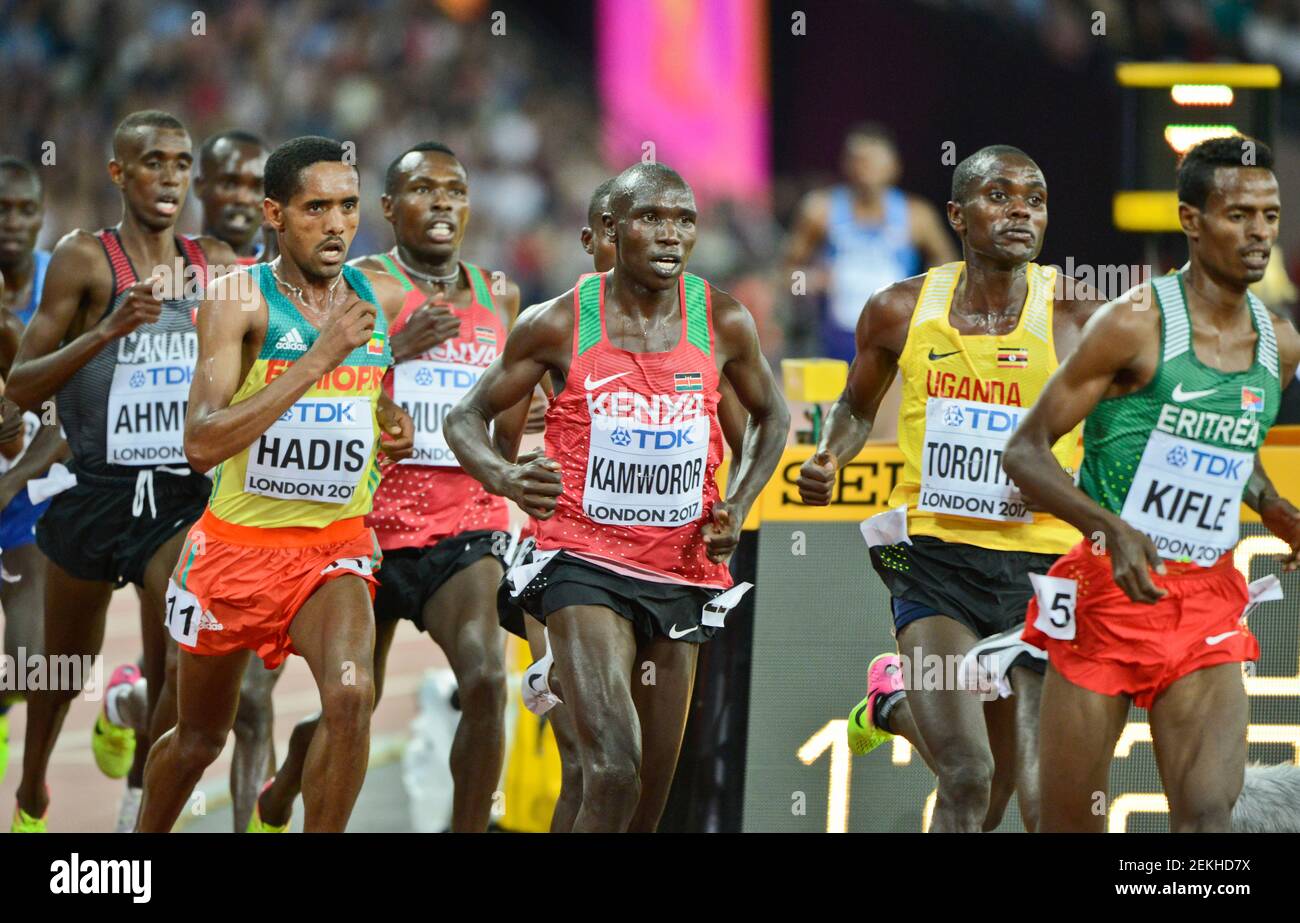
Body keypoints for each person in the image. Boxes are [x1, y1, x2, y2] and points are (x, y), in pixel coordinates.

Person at [446, 162, 789, 832]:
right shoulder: (559, 322)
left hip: (680, 569)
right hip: (582, 561)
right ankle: (559, 671)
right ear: (610, 228)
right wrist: (507, 476)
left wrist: (740, 504)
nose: (672, 234)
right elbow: (465, 417)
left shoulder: (722, 318)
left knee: (643, 803)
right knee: (610, 767)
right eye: (653, 218)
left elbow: (771, 418)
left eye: (684, 219)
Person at [798, 146, 1104, 832]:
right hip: (931, 562)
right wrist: (831, 454)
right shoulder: (899, 310)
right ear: (957, 216)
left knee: (1023, 795)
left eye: (1035, 197)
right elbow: (853, 406)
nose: (1021, 208)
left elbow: (1122, 419)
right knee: (967, 777)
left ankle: (891, 705)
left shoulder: (1080, 318)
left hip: (1044, 572)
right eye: (1000, 195)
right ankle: (904, 696)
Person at [1004, 135, 1300, 832]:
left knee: (1206, 818)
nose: (1258, 233)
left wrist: (1272, 504)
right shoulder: (1134, 323)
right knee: (1066, 824)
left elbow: (1223, 447)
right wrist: (1109, 526)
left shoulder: (1279, 343)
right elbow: (1025, 451)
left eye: (1271, 215)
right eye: (1238, 215)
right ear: (1191, 221)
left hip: (1203, 601)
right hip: (1108, 593)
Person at [134, 135, 414, 833]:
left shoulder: (376, 294)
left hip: (331, 549)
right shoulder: (238, 300)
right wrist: (315, 361)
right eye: (315, 207)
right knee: (200, 737)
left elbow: (373, 395)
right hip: (234, 553)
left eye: (348, 206)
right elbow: (200, 443)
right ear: (275, 215)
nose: (337, 224)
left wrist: (389, 420)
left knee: (353, 695)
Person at [251, 141, 529, 833]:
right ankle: (293, 769)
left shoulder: (501, 293)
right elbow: (306, 375)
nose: (442, 203)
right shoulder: (360, 281)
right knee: (355, 702)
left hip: (467, 525)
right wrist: (399, 351)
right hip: (367, 527)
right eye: (423, 189)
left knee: (489, 680)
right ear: (387, 207)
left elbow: (511, 410)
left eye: (455, 190)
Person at [7, 111, 237, 833]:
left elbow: (259, 360)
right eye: (152, 162)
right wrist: (106, 329)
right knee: (58, 675)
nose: (168, 177)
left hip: (177, 494)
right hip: (92, 490)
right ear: (119, 173)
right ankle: (33, 789)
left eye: (179, 162)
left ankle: (139, 801)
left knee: (177, 639)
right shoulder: (85, 259)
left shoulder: (216, 265)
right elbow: (20, 384)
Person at [194, 127, 282, 833]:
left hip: (250, 506)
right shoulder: (166, 267)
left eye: (257, 186)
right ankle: (130, 707)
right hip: (162, 494)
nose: (244, 198)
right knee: (182, 699)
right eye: (229, 182)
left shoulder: (286, 280)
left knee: (253, 698)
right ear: (202, 186)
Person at [0, 157, 69, 785]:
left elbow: (73, 414)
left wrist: (11, 481)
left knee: (26, 662)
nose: (13, 222)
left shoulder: (62, 285)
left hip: (24, 489)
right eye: (2, 209)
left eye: (26, 210)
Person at [785, 123, 956, 362]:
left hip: (898, 339)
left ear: (895, 166)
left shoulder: (917, 216)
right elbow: (788, 272)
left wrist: (922, 292)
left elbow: (949, 269)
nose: (867, 169)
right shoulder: (820, 210)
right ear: (846, 164)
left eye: (875, 161)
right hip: (835, 341)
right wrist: (809, 281)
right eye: (860, 160)